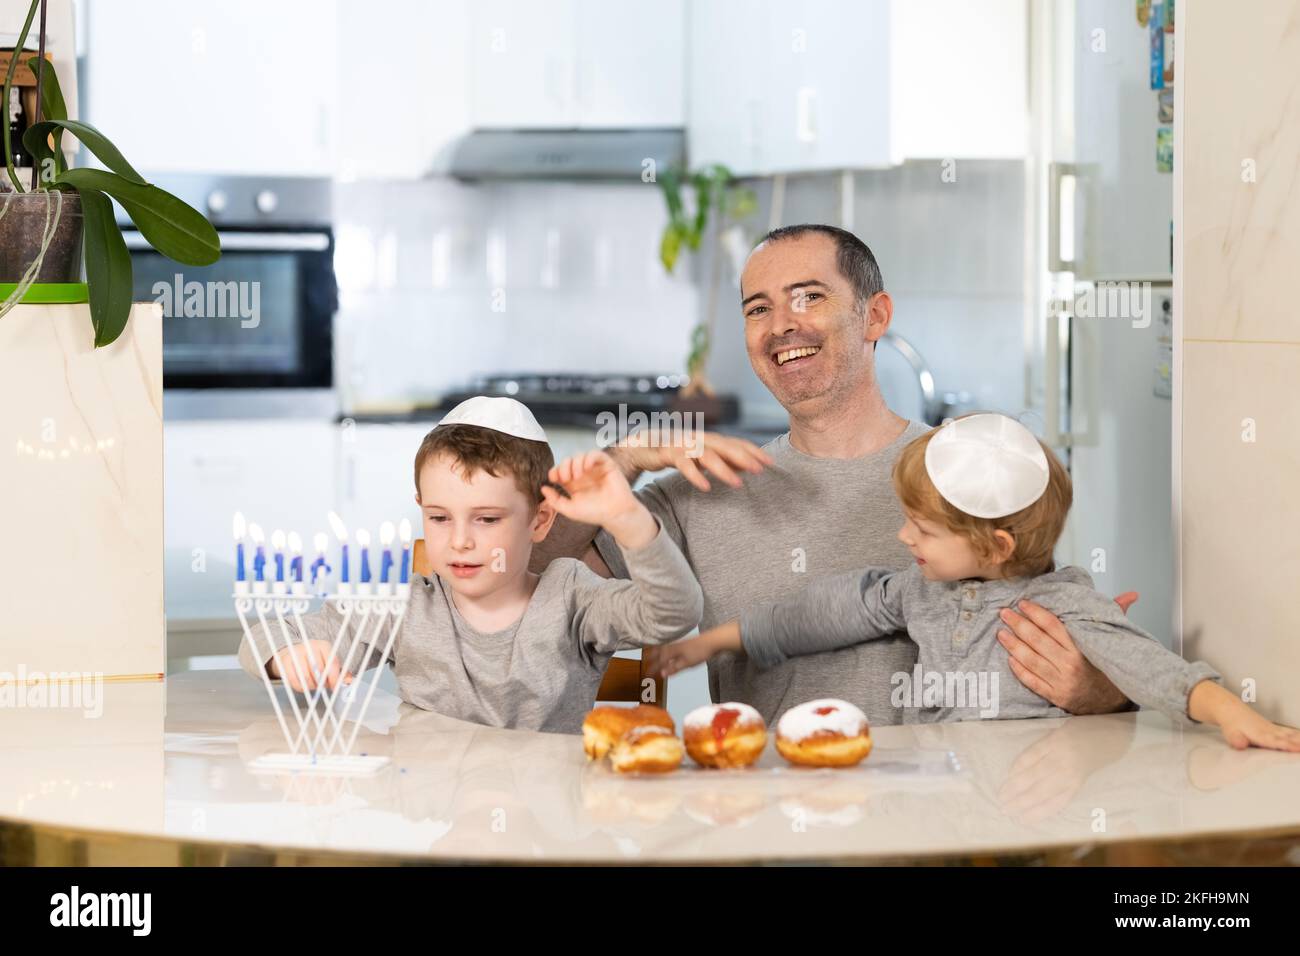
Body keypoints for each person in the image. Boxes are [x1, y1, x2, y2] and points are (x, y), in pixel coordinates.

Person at [532, 224, 1135, 726]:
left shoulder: (968, 473)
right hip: (769, 812)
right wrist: (627, 458)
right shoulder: (698, 491)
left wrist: (1100, 690)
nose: (781, 325)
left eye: (808, 297)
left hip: (945, 815)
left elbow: (1061, 648)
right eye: (758, 309)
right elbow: (536, 577)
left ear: (875, 316)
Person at [656, 414, 1300, 753]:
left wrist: (1235, 716)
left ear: (997, 546)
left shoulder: (1066, 604)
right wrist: (714, 643)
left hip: (1030, 805)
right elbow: (820, 613)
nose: (905, 540)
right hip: (934, 796)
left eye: (923, 530)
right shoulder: (918, 591)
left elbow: (1154, 669)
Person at [237, 396, 702, 734]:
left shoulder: (572, 596)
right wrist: (286, 657)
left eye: (486, 519)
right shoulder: (407, 606)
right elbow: (263, 637)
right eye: (439, 518)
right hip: (436, 824)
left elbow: (674, 612)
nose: (459, 540)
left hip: (548, 832)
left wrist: (627, 521)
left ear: (540, 521)